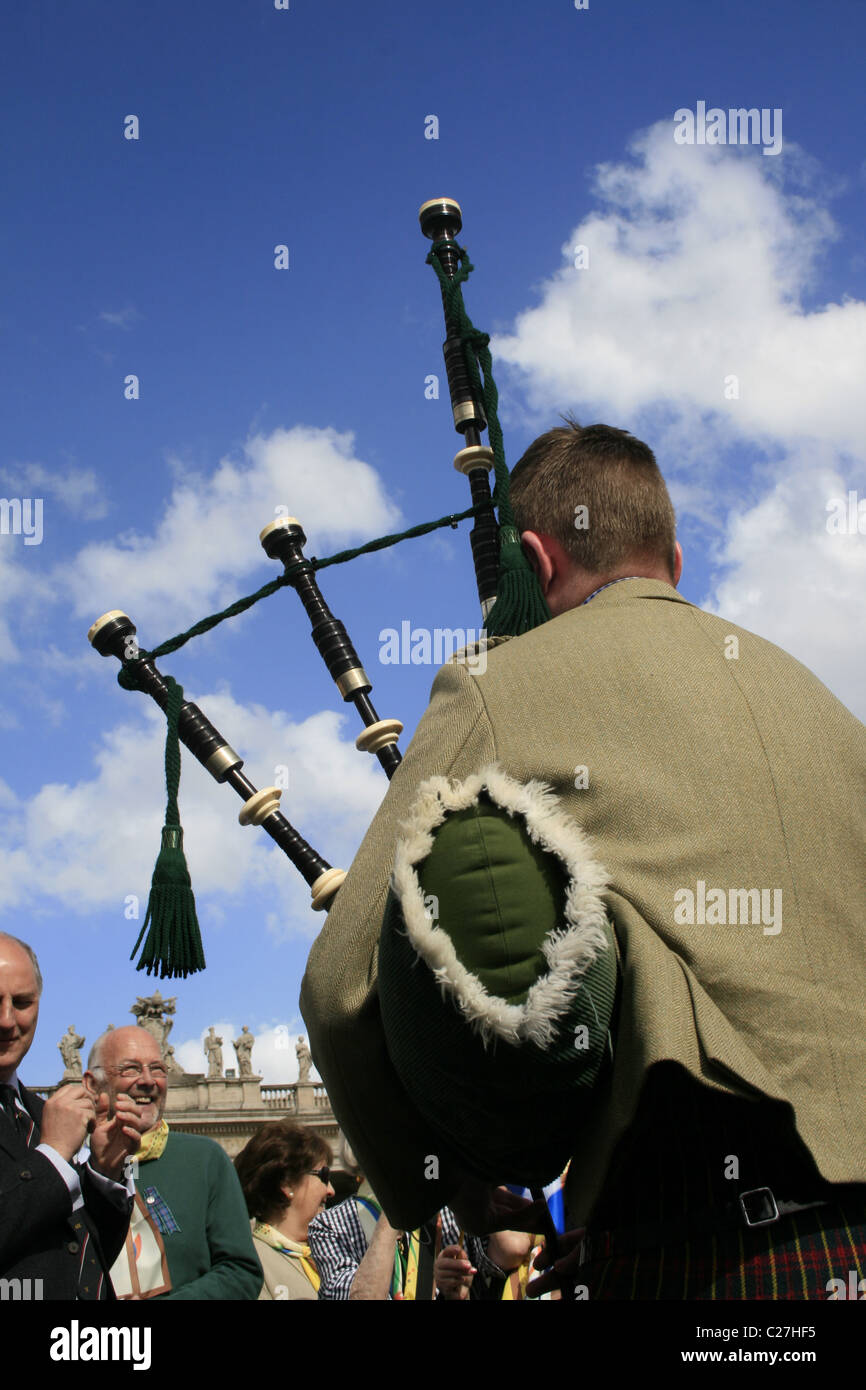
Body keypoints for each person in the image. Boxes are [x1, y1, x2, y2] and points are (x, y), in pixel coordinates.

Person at [300, 420, 866, 1299]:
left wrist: (437, 1185)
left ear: (534, 558)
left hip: (707, 1241)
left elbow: (339, 990)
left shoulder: (501, 682)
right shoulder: (823, 702)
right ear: (673, 557)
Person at [0, 933, 144, 1299]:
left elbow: (78, 1258)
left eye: (22, 1002)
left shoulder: (38, 1114)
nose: (6, 1020)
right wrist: (51, 1157)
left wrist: (104, 1170)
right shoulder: (54, 1132)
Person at [84, 1025, 262, 1299]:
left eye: (157, 1069)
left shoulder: (204, 1160)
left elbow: (241, 1271)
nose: (148, 1080)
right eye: (131, 1069)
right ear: (92, 1084)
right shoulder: (69, 1167)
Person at [234, 1120, 334, 1300]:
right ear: (286, 1184)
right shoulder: (250, 1262)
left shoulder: (333, 1256)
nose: (331, 1190)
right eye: (324, 1176)